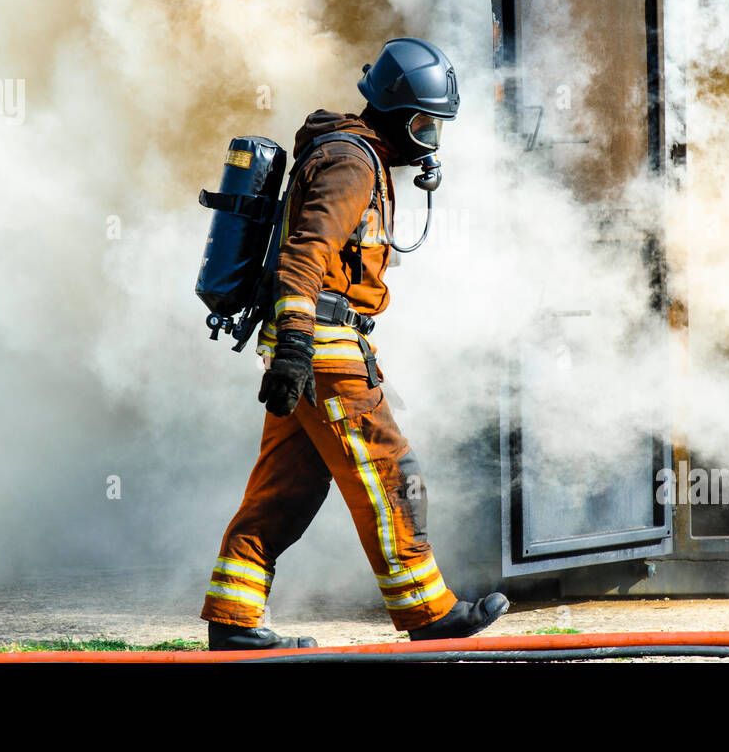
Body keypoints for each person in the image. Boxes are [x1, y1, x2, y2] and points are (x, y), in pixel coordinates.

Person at [200, 38, 509, 650]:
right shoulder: (351, 163)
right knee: (390, 473)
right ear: (397, 114)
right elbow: (305, 254)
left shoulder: (350, 155)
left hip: (311, 345)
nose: (430, 140)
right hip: (324, 347)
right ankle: (429, 613)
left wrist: (289, 348)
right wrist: (293, 348)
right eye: (425, 124)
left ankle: (232, 623)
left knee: (282, 491)